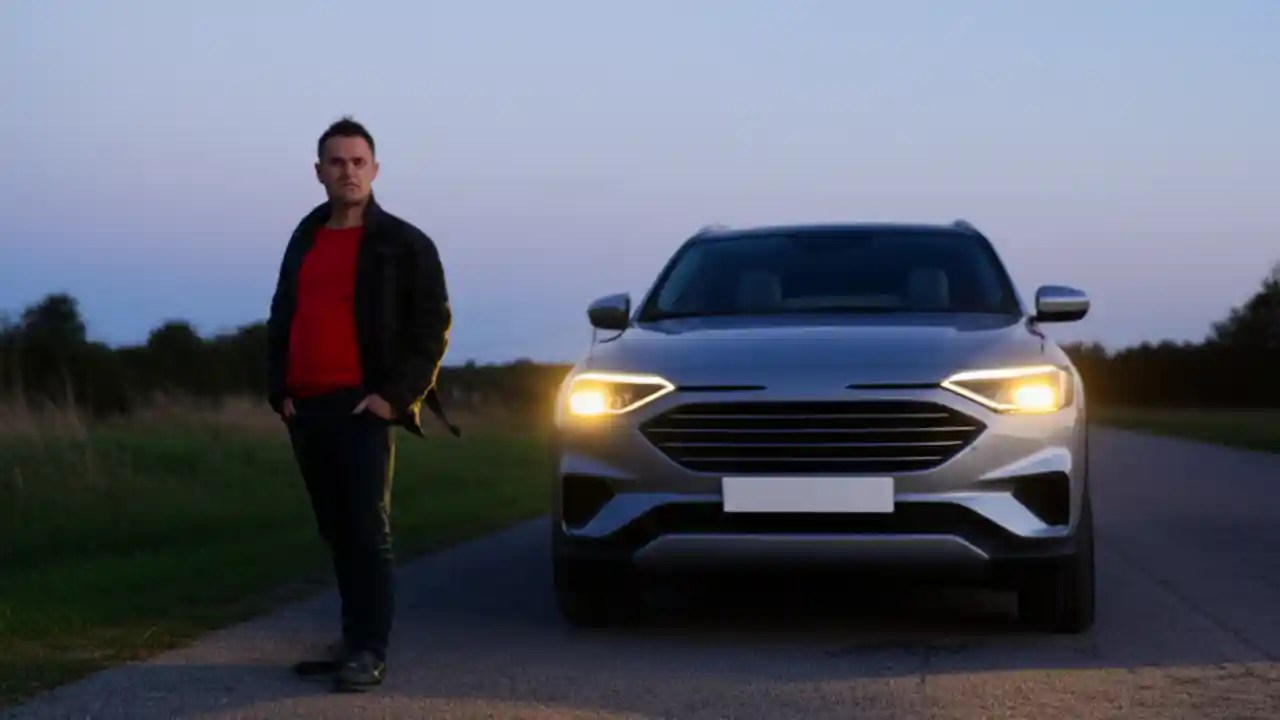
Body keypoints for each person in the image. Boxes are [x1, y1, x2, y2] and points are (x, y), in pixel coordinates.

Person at [266, 116, 456, 692]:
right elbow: (282, 316)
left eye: (357, 161)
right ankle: (351, 639)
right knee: (336, 530)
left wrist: (392, 399)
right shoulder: (305, 236)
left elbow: (432, 329)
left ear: (374, 169)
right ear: (318, 172)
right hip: (307, 408)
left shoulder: (404, 243)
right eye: (336, 162)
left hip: (361, 408)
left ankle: (370, 649)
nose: (347, 171)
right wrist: (280, 393)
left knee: (366, 530)